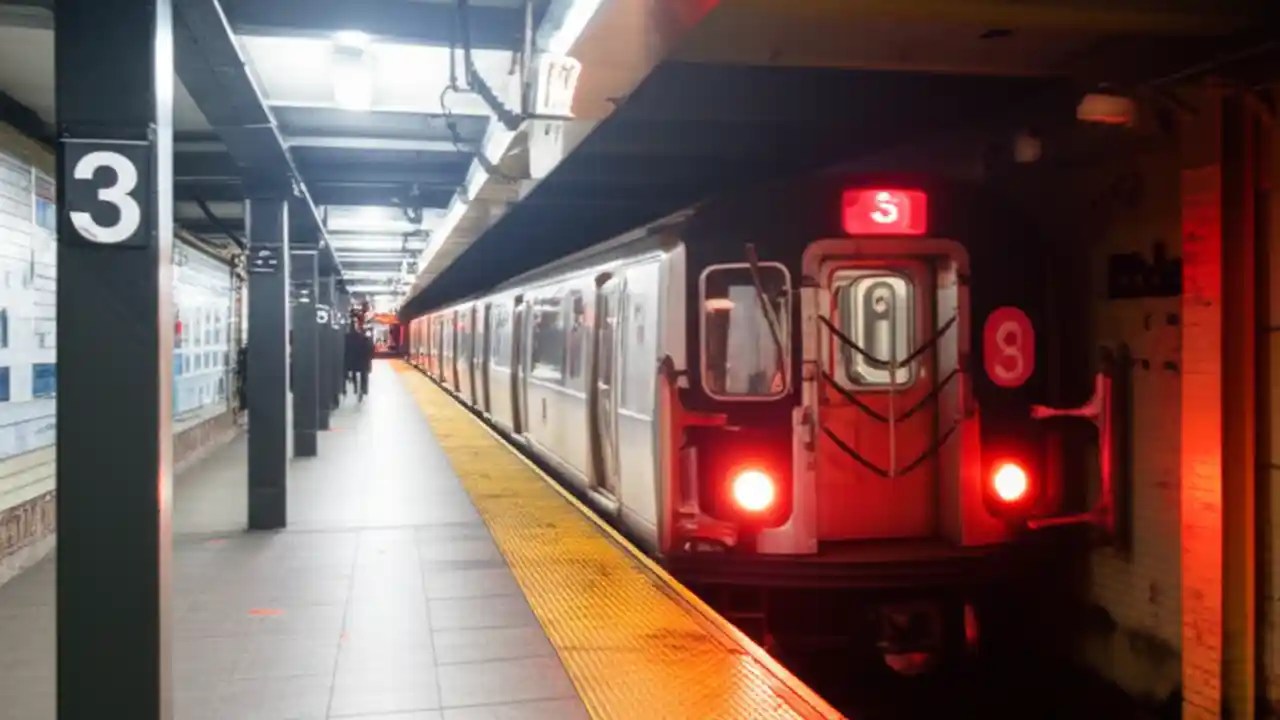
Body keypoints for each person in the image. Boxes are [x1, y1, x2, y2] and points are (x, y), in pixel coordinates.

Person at [344, 327, 373, 401]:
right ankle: (363, 389)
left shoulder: (347, 337)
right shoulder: (365, 338)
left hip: (353, 360)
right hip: (363, 360)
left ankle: (356, 388)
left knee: (354, 373)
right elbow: (369, 349)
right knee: (364, 375)